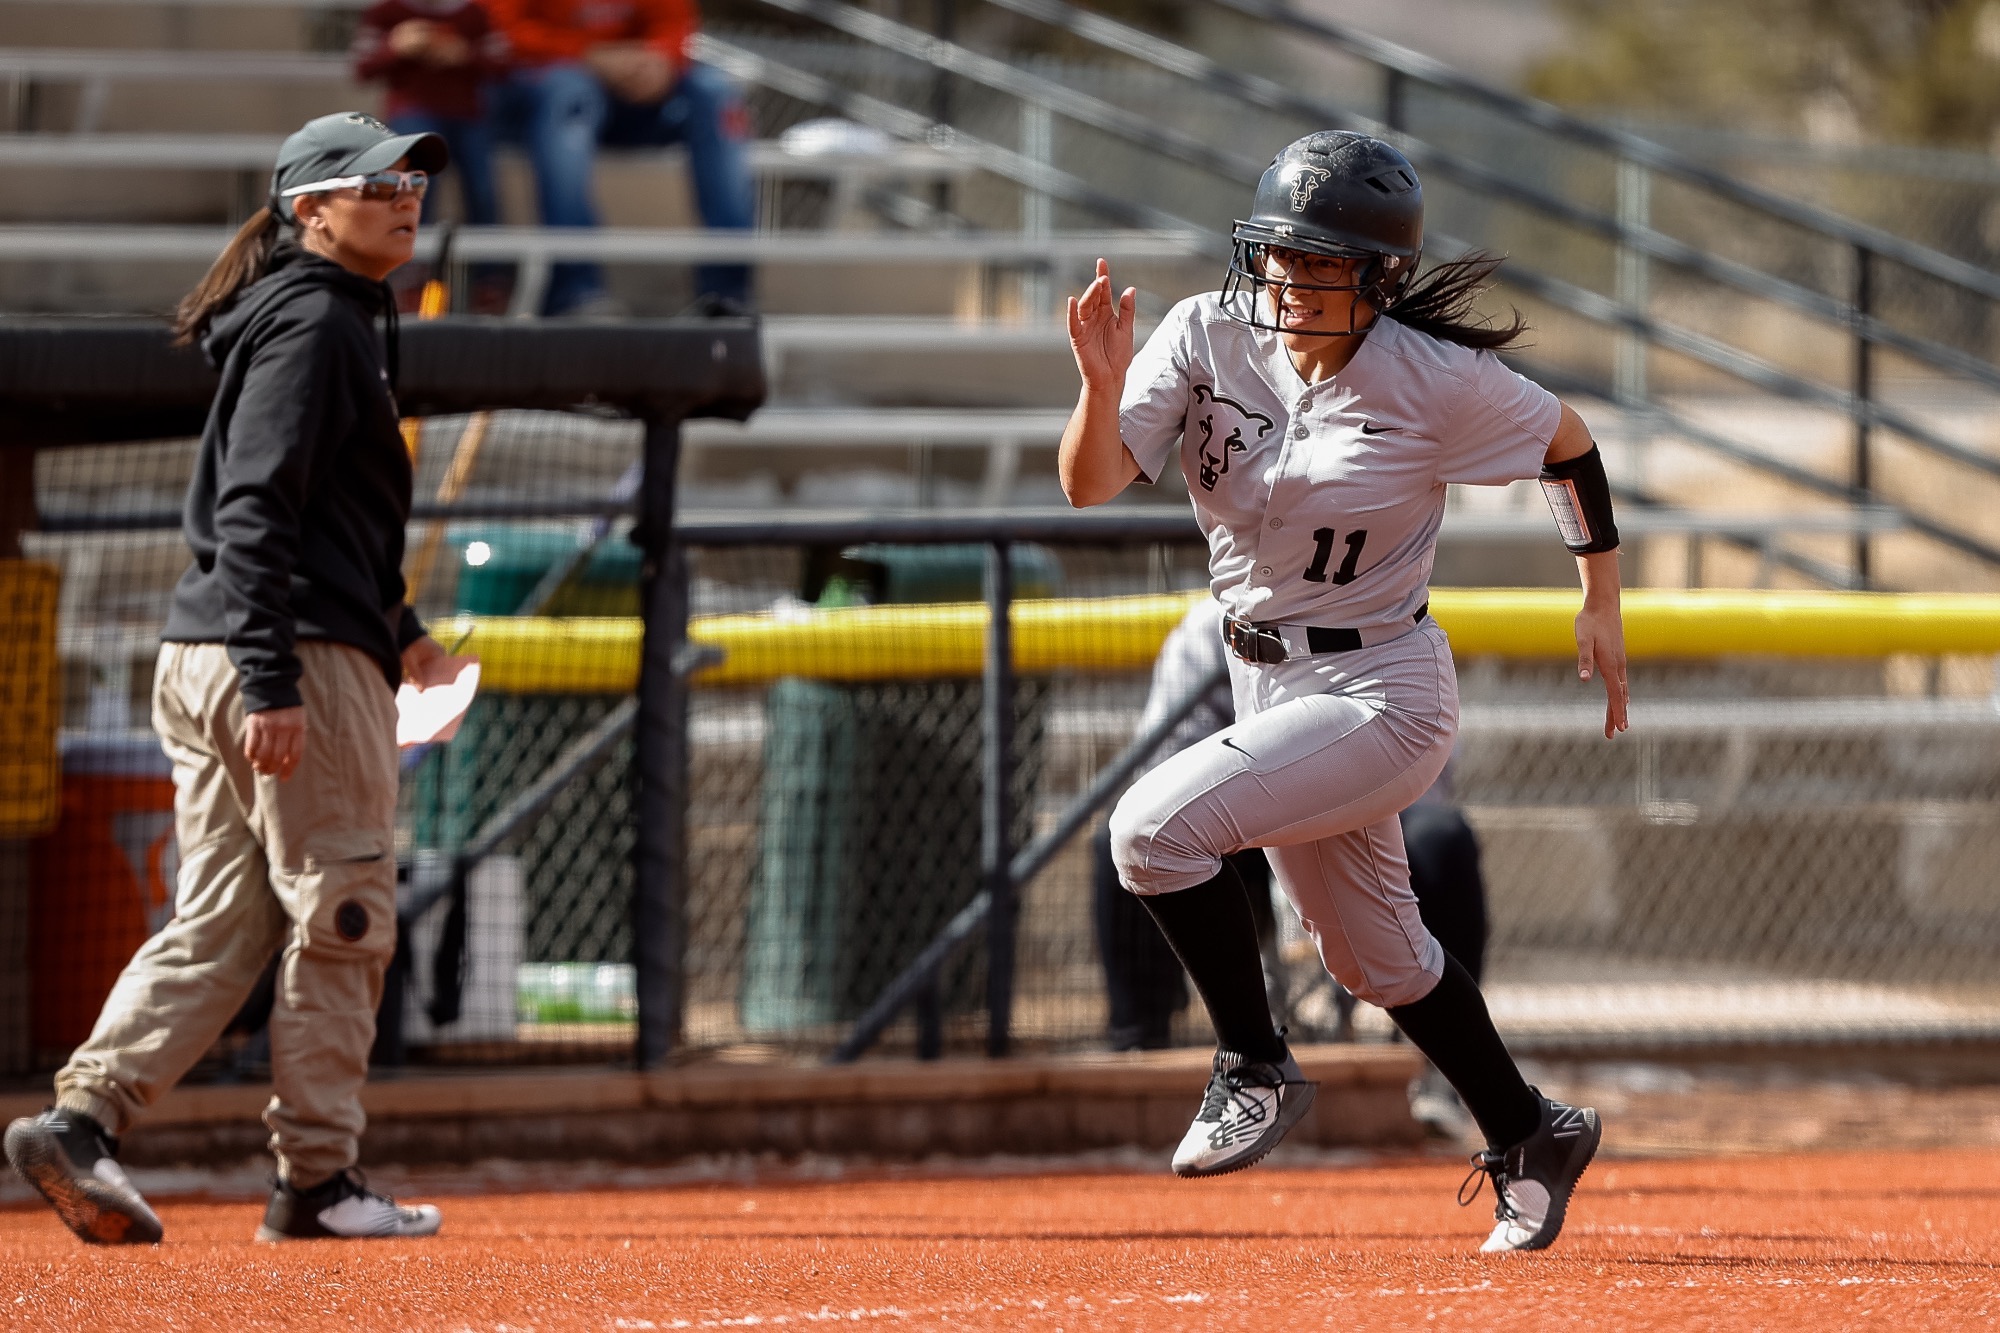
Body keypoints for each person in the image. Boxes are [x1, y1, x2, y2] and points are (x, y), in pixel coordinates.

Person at [1060, 130, 1628, 1254]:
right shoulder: (1205, 333)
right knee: (1376, 959)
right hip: (1261, 679)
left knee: (1146, 832)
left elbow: (1570, 447)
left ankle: (1252, 1065)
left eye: (1320, 262)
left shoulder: (1435, 379)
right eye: (1278, 252)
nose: (1288, 279)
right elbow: (1087, 483)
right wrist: (1098, 381)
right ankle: (1529, 1131)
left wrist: (1597, 596)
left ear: (1381, 277)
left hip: (1381, 691)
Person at [3, 112, 453, 1246]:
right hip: (281, 652)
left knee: (224, 921)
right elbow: (256, 507)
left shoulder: (316, 314)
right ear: (311, 210)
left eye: (412, 179)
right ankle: (317, 1179)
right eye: (376, 182)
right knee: (344, 912)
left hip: (218, 646)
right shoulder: (317, 319)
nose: (406, 195)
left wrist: (399, 627)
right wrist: (273, 680)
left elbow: (314, 518)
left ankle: (80, 1120)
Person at [1094, 597, 1494, 1143]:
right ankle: (1142, 1046)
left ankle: (1450, 1083)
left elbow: (1428, 782)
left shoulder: (1392, 609)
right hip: (1240, 828)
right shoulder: (1204, 632)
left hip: (1360, 805)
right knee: (1131, 835)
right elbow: (1164, 764)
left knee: (1441, 840)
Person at [487, 0, 755, 314]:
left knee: (717, 95)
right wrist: (589, 56)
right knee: (569, 92)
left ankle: (726, 296)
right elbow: (506, 31)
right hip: (551, 87)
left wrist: (659, 60)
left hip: (639, 88)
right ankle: (575, 292)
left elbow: (673, 21)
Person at [352, 1, 508, 229]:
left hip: (467, 115)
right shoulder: (387, 11)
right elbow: (362, 67)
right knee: (416, 181)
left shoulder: (474, 12)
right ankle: (408, 257)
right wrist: (396, 46)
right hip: (412, 112)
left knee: (482, 188)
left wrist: (465, 54)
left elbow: (503, 65)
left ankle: (489, 262)